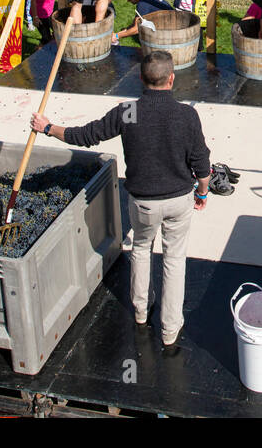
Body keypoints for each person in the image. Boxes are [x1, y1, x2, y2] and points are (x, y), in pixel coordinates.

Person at [31, 51, 211, 349]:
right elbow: (202, 166)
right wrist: (202, 193)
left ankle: (141, 312)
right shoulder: (186, 115)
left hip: (143, 202)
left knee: (141, 249)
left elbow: (86, 135)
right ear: (172, 79)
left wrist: (48, 128)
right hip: (179, 200)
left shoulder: (127, 112)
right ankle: (169, 330)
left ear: (140, 79)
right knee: (174, 260)